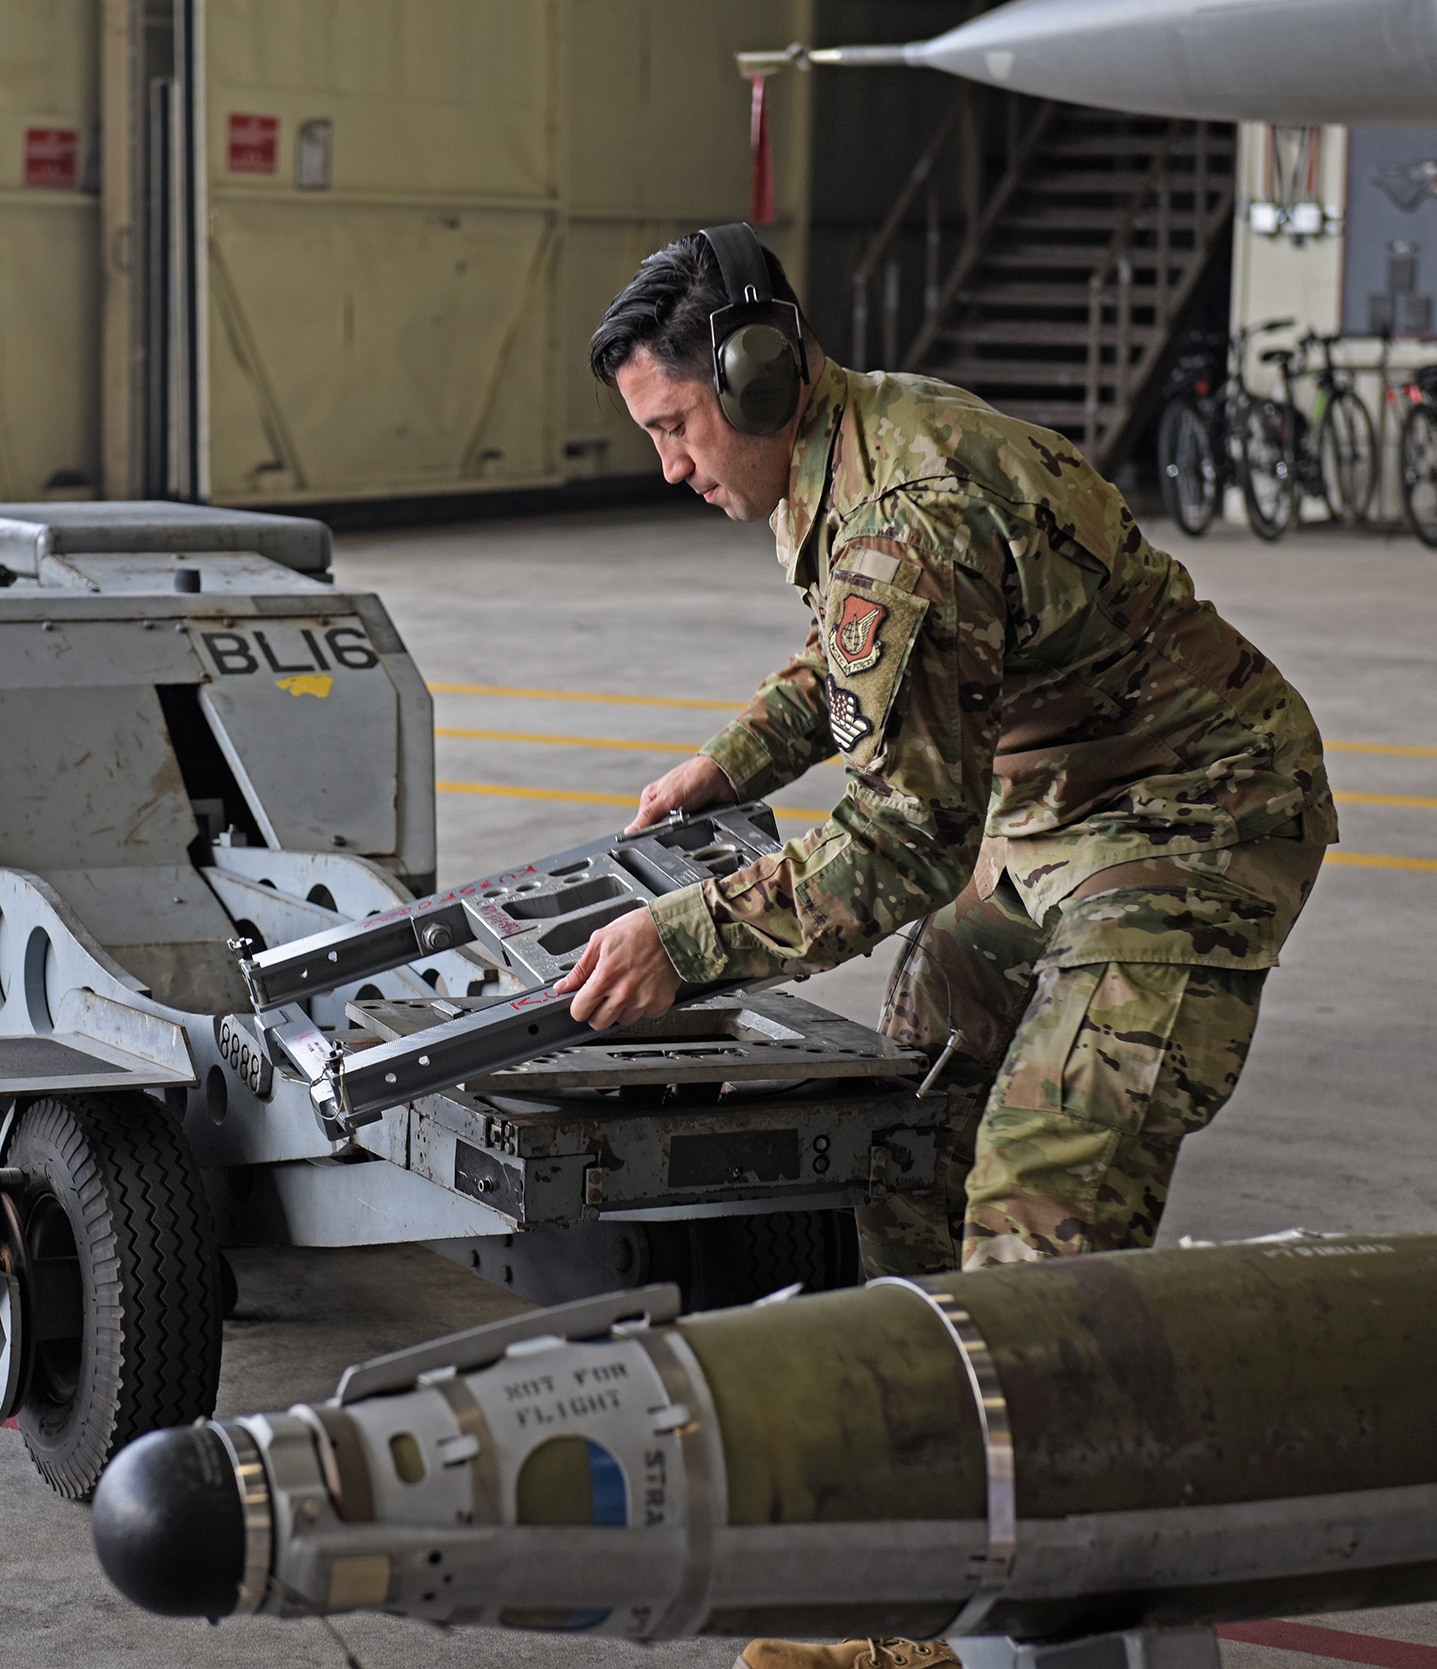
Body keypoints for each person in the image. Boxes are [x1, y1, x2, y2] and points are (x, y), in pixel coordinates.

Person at [558, 228, 1337, 1669]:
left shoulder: (904, 512)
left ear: (756, 372)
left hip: (1195, 815)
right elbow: (855, 660)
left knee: (1042, 1195)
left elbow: (904, 844)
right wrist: (736, 763)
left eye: (673, 426)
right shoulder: (855, 445)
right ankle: (929, 1549)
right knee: (920, 1074)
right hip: (1063, 803)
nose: (668, 464)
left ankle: (1004, 1607)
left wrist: (686, 937)